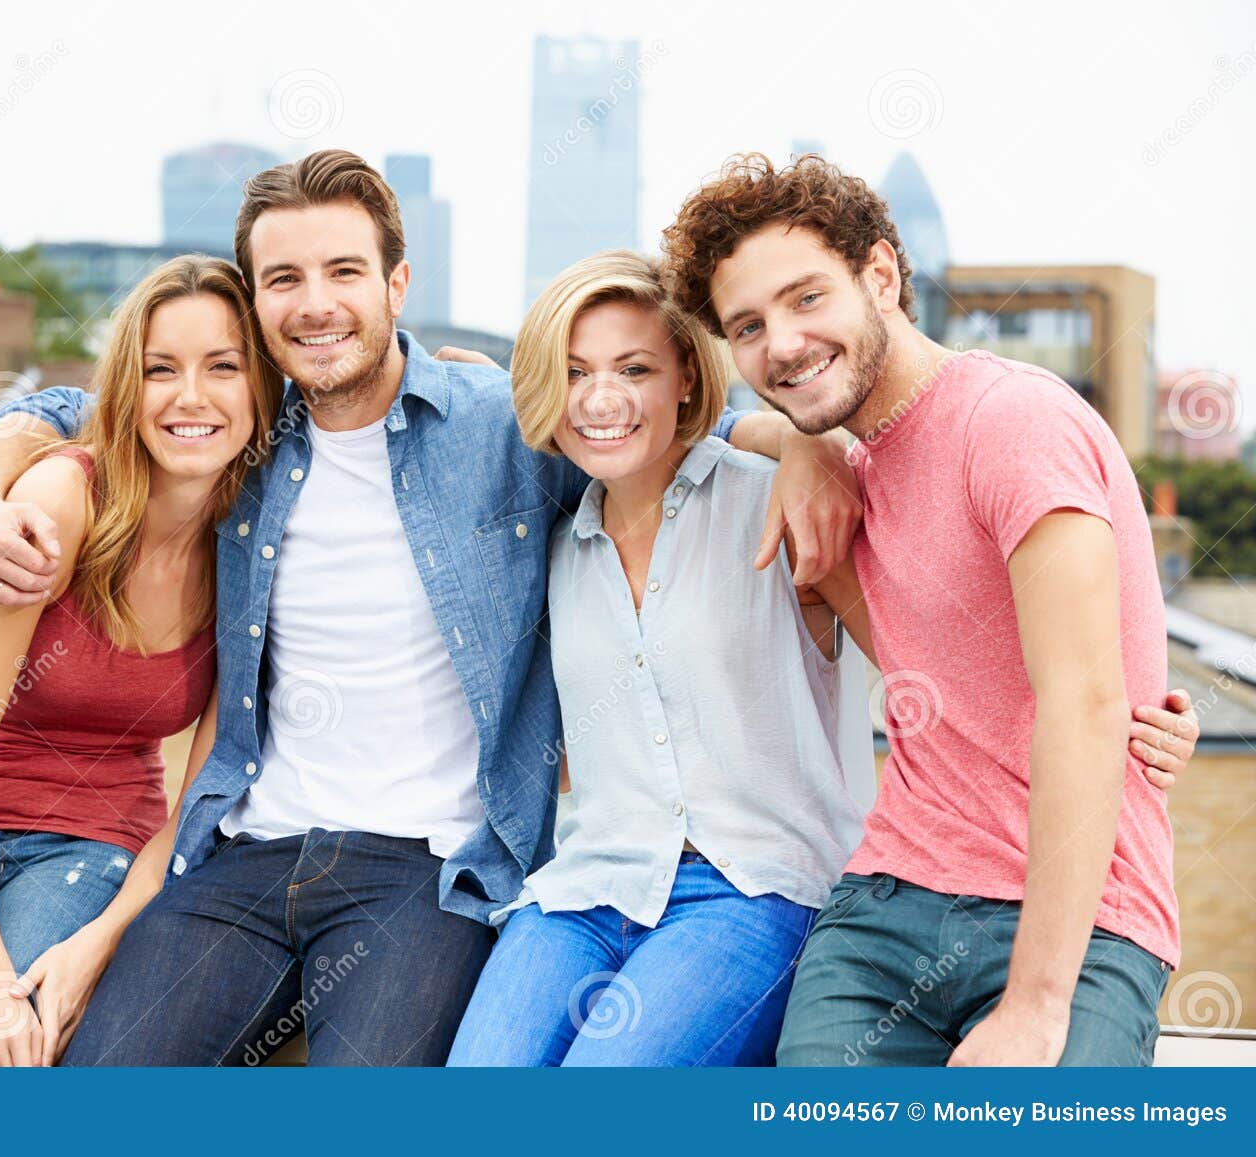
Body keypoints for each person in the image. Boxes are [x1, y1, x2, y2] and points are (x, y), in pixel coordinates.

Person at [0, 149, 864, 1066]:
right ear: (256, 303)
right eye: (284, 279)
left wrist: (800, 440)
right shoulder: (236, 430)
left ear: (397, 283)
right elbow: (79, 406)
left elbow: (651, 418)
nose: (315, 303)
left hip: (427, 870)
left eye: (344, 271)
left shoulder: (504, 423)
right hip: (244, 852)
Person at [446, 252, 1199, 1067]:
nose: (601, 396)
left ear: (689, 381)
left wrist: (1134, 710)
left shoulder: (777, 500)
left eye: (635, 367)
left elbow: (945, 656)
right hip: (589, 885)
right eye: (572, 371)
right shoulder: (555, 545)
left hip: (751, 888)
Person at [663, 152, 1195, 1065]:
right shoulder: (843, 466)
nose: (781, 343)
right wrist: (797, 444)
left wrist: (1033, 1005)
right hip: (886, 906)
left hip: (1078, 919)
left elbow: (1087, 704)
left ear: (880, 275)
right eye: (747, 326)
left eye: (806, 299)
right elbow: (675, 423)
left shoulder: (1012, 423)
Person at [0, 255, 281, 1066]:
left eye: (223, 367)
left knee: (13, 1057)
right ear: (125, 389)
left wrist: (101, 942)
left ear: (261, 390)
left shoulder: (253, 551)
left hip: (90, 850)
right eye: (160, 370)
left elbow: (197, 805)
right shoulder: (61, 501)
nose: (192, 397)